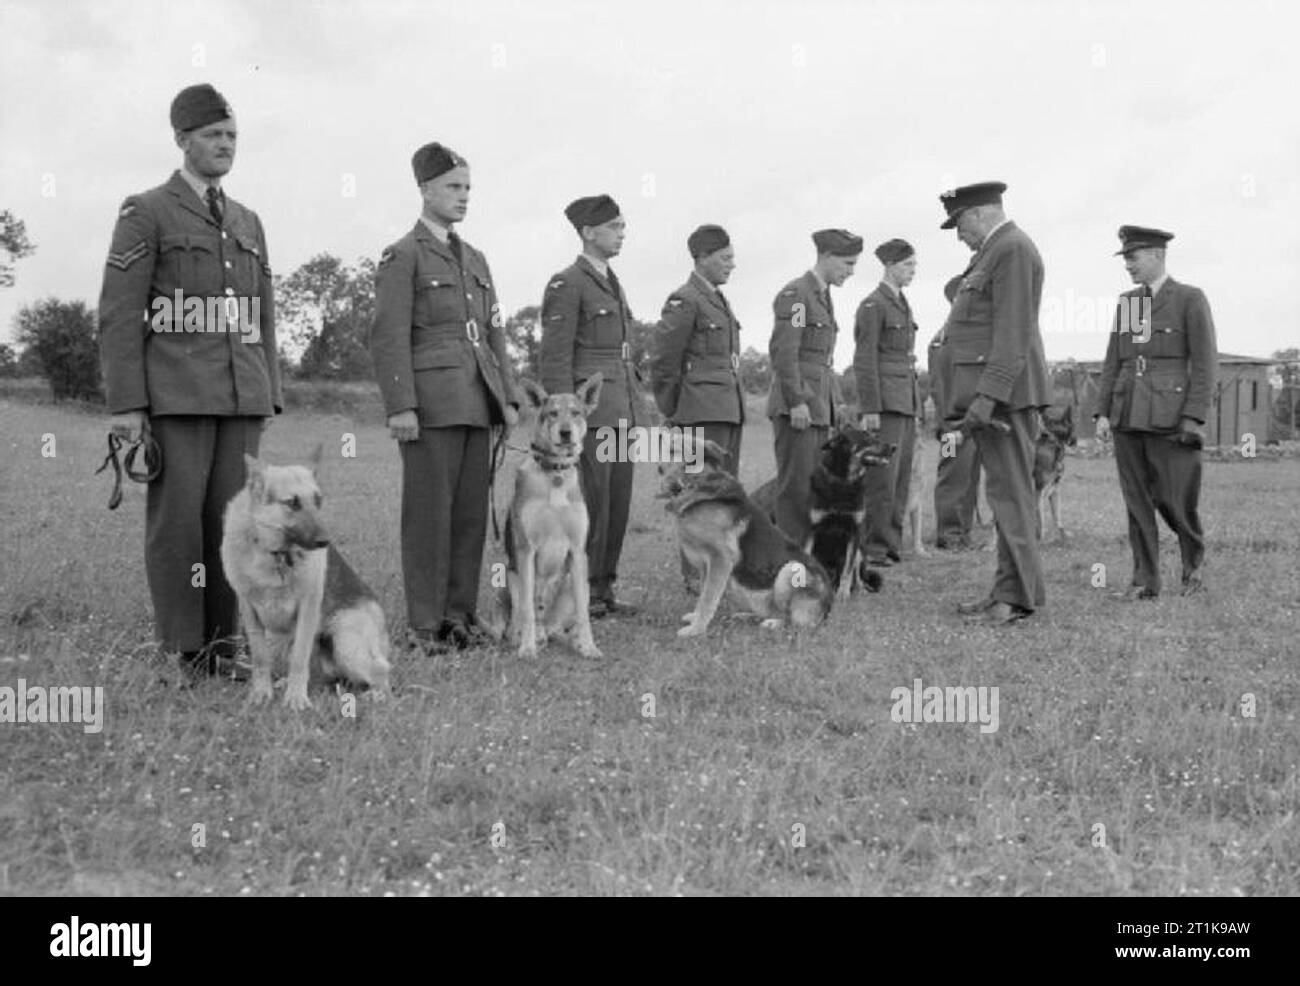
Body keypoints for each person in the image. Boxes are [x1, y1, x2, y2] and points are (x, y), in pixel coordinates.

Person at [98, 83, 281, 677]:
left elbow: (263, 314)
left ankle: (222, 646)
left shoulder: (249, 220)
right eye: (212, 135)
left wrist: (268, 392)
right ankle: (183, 646)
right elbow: (120, 311)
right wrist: (128, 403)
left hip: (240, 395)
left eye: (231, 136)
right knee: (178, 523)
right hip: (177, 395)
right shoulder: (145, 210)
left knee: (236, 523)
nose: (224, 145)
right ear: (182, 140)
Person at [369, 141, 520, 652]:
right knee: (429, 515)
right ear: (425, 190)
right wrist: (401, 405)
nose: (463, 197)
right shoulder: (404, 254)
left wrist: (510, 396)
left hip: (478, 400)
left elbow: (495, 332)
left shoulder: (475, 258)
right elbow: (388, 335)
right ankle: (425, 625)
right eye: (454, 187)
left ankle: (460, 616)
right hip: (430, 405)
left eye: (468, 188)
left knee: (469, 517)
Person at [938, 181, 1049, 626]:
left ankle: (1016, 598)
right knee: (1003, 495)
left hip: (1005, 399)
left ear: (982, 214)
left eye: (960, 222)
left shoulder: (1013, 249)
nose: (958, 233)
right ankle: (1007, 589)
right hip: (993, 398)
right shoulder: (993, 252)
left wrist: (988, 396)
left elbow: (1012, 332)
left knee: (1012, 496)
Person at [1094, 225, 1216, 599]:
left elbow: (1205, 363)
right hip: (1127, 412)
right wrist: (1102, 412)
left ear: (1157, 255)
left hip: (1170, 415)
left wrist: (1193, 417)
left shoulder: (1189, 299)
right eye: (1125, 258)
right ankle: (1145, 581)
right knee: (1137, 501)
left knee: (1175, 499)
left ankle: (1193, 565)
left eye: (1134, 257)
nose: (1128, 265)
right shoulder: (1131, 303)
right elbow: (1117, 358)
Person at [540, 195, 643, 618]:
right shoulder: (568, 283)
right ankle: (574, 592)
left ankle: (602, 590)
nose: (623, 233)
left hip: (620, 407)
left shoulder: (612, 282)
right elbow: (555, 356)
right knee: (589, 504)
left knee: (616, 505)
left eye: (622, 226)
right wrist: (566, 423)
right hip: (589, 417)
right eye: (615, 226)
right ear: (588, 232)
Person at [766, 229, 862, 546]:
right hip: (800, 407)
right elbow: (785, 353)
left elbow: (822, 362)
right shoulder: (797, 296)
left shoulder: (821, 296)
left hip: (820, 406)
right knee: (796, 489)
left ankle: (809, 559)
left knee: (815, 485)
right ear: (827, 256)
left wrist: (835, 404)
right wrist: (796, 401)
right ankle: (790, 562)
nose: (851, 271)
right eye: (847, 263)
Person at [854, 238, 921, 565]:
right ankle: (874, 547)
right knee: (881, 478)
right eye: (907, 265)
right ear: (890, 265)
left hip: (905, 399)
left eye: (914, 265)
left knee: (901, 477)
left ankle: (891, 544)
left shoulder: (901, 303)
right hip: (885, 403)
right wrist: (870, 408)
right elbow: (865, 360)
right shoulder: (873, 305)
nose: (913, 271)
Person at [929, 275, 984, 549]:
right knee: (952, 476)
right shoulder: (943, 340)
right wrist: (947, 425)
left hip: (971, 421)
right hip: (952, 424)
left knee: (970, 477)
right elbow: (940, 389)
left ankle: (962, 532)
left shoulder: (967, 337)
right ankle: (949, 534)